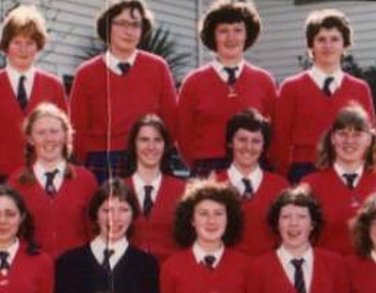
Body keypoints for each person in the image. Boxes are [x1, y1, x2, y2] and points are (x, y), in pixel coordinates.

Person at [69, 0, 178, 182]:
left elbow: (171, 122)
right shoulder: (86, 73)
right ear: (107, 27)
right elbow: (77, 129)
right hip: (102, 162)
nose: (129, 31)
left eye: (135, 24)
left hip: (147, 159)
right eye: (121, 23)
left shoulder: (158, 67)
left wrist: (155, 154)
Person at [270, 8, 376, 185]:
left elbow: (369, 139)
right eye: (321, 39)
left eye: (334, 39)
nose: (328, 46)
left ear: (345, 44)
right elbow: (279, 141)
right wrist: (285, 180)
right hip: (302, 170)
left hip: (347, 169)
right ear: (311, 45)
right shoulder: (291, 87)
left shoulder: (360, 88)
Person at [177, 0, 277, 177]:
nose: (231, 38)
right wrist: (203, 167)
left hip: (253, 168)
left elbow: (275, 132)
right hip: (208, 172)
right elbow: (183, 136)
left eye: (238, 30)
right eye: (223, 31)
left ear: (247, 34)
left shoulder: (264, 80)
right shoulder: (193, 82)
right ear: (213, 35)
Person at [0, 5, 68, 182]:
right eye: (17, 42)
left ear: (38, 46)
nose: (23, 49)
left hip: (41, 177)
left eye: (30, 43)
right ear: (6, 45)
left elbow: (64, 137)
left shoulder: (54, 86)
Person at [301, 105, 376, 257]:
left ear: (369, 139)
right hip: (327, 274)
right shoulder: (310, 185)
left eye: (357, 134)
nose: (349, 141)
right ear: (333, 138)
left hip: (373, 273)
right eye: (342, 134)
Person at [9, 103, 99, 256]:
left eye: (54, 132)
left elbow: (95, 230)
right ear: (30, 139)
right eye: (41, 133)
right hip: (32, 271)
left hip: (76, 271)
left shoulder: (86, 180)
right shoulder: (15, 182)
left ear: (65, 135)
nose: (48, 139)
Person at [213, 108, 289, 256]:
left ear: (264, 146)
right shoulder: (212, 185)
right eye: (242, 140)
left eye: (256, 141)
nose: (248, 147)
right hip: (227, 270)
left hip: (268, 270)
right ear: (230, 142)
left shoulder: (281, 187)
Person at [123, 114, 186, 263]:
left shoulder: (184, 191)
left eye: (157, 140)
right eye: (144, 140)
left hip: (171, 275)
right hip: (128, 277)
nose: (151, 147)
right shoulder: (117, 189)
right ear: (133, 144)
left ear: (165, 146)